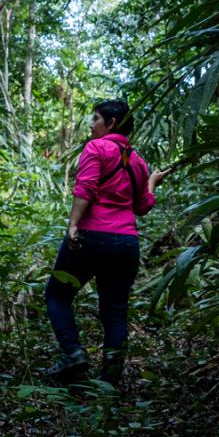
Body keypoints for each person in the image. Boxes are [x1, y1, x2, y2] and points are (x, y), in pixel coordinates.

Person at [42, 99, 166, 385]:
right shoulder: (138, 161)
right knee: (115, 310)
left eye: (96, 118)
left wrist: (73, 224)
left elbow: (85, 188)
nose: (91, 124)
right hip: (126, 243)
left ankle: (73, 353)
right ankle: (109, 383)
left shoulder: (96, 148)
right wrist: (151, 182)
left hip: (92, 236)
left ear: (111, 123)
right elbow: (142, 207)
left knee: (57, 295)